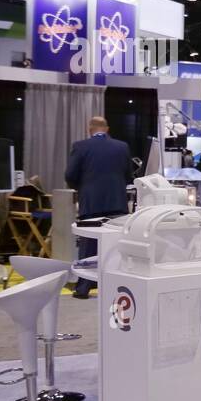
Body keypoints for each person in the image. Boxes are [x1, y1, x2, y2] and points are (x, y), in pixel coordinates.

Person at [65, 116, 133, 299]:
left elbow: (70, 174)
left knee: (88, 245)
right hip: (117, 202)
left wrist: (82, 188)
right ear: (107, 129)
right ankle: (114, 287)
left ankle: (83, 288)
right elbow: (128, 176)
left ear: (90, 129)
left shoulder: (80, 146)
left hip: (91, 203)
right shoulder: (122, 147)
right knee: (115, 245)